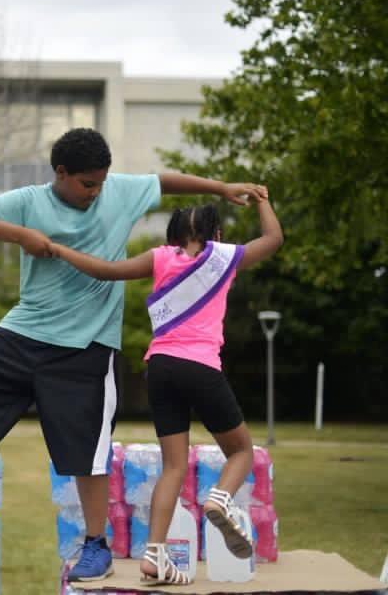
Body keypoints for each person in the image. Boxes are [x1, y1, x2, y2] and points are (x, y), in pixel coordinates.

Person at [0, 127, 266, 582]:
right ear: (61, 173)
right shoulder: (30, 200)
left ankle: (95, 545)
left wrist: (220, 188)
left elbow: (164, 182)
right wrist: (22, 235)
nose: (96, 191)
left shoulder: (117, 192)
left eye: (101, 181)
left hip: (89, 345)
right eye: (87, 184)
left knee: (89, 452)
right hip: (28, 328)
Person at [47, 195, 283, 584]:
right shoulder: (225, 258)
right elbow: (273, 238)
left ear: (173, 235)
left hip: (159, 367)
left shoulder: (160, 258)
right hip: (201, 367)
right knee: (241, 450)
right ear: (217, 234)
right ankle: (219, 499)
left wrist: (58, 249)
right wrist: (261, 199)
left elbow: (106, 271)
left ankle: (154, 557)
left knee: (173, 465)